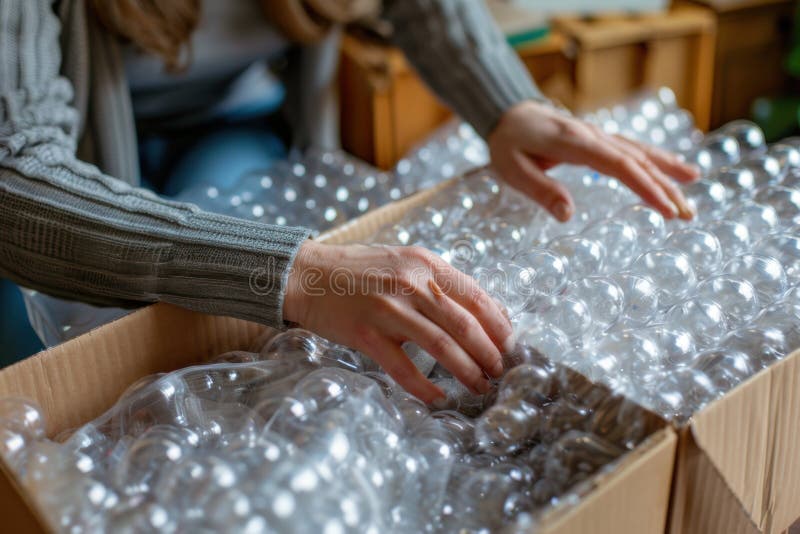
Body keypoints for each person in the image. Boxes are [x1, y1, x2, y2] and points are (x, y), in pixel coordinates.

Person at [0, 0, 698, 403]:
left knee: (230, 315)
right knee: (38, 340)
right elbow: (16, 181)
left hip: (233, 123)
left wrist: (507, 105)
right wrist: (297, 273)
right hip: (63, 158)